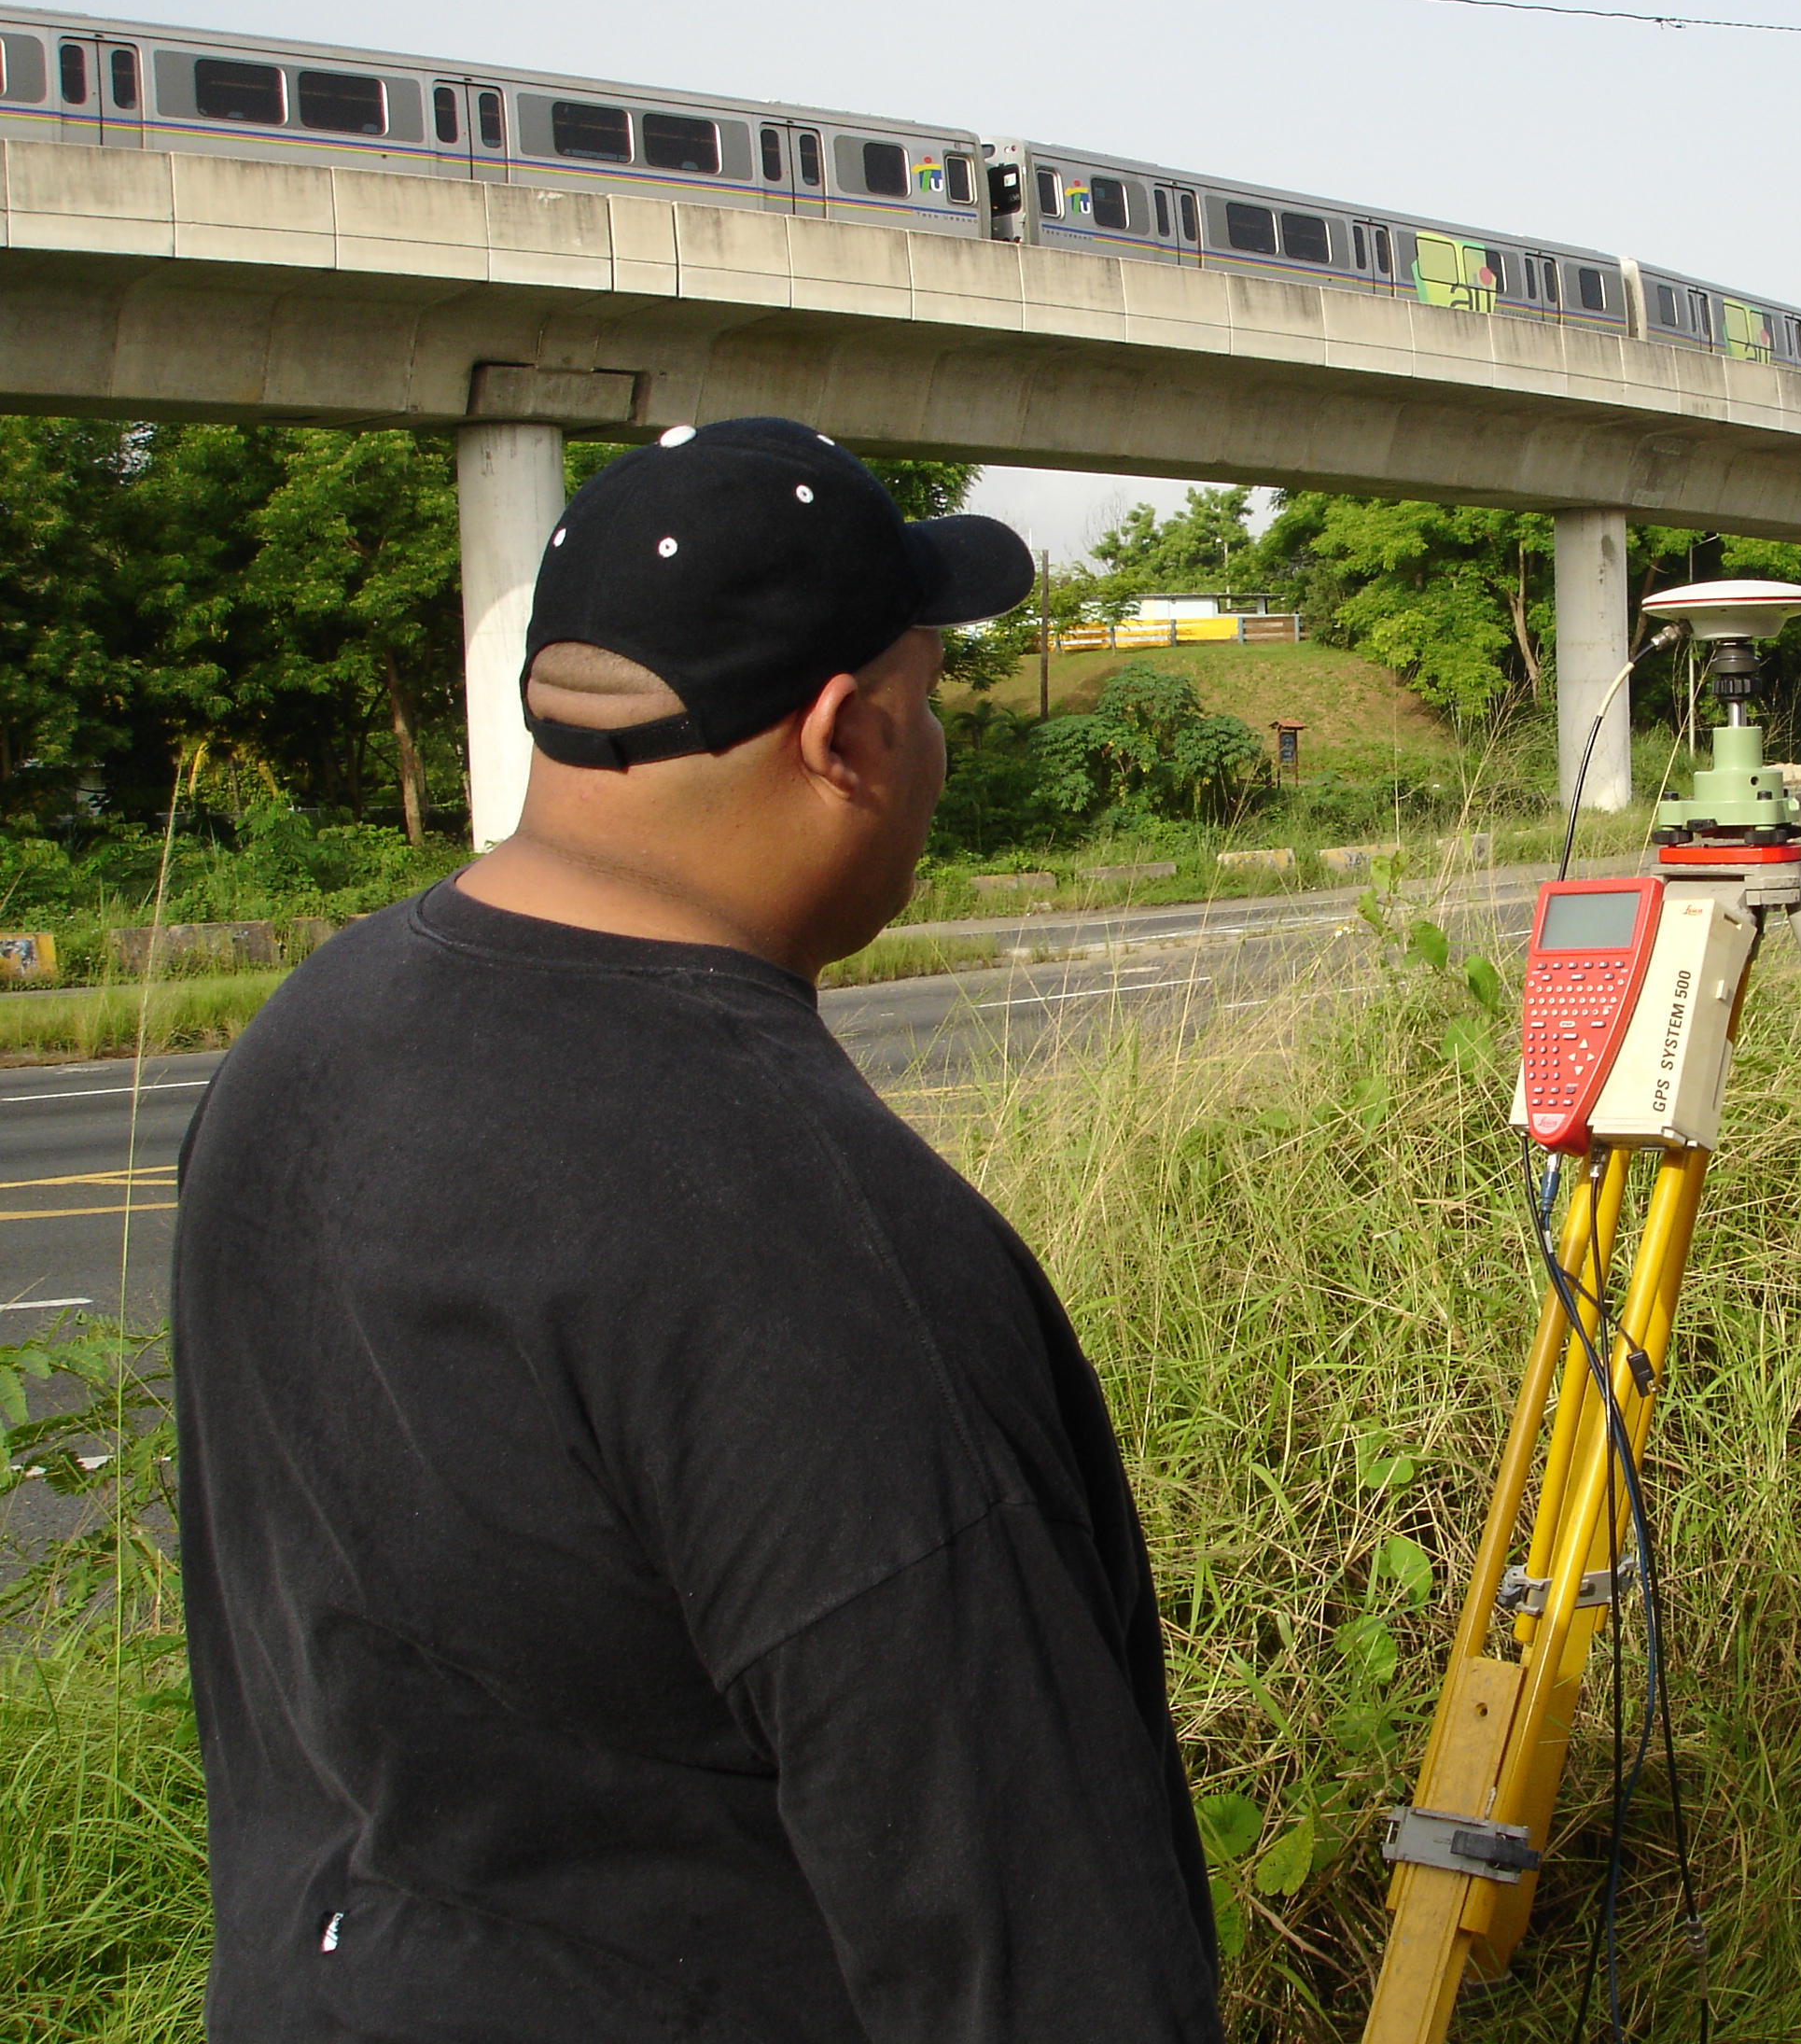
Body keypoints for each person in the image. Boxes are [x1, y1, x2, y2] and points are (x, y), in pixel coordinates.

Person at [173, 418, 1223, 2041]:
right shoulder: (811, 1241)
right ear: (844, 737)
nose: (931, 750)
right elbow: (1041, 1949)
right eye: (929, 702)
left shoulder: (299, 1045)